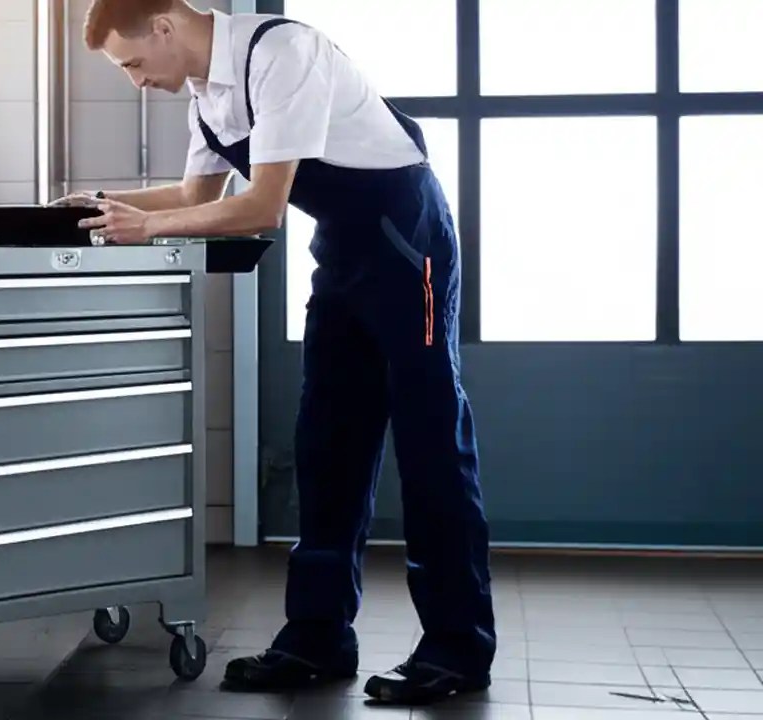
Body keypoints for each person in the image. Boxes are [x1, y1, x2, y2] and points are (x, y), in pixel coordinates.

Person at [54, 0, 498, 707]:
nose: (135, 81)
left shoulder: (282, 53)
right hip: (345, 253)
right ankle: (317, 637)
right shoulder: (207, 94)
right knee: (327, 443)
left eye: (133, 63)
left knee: (429, 442)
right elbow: (198, 196)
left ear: (164, 27)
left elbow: (261, 206)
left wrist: (151, 226)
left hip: (405, 240)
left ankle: (457, 646)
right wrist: (99, 206)